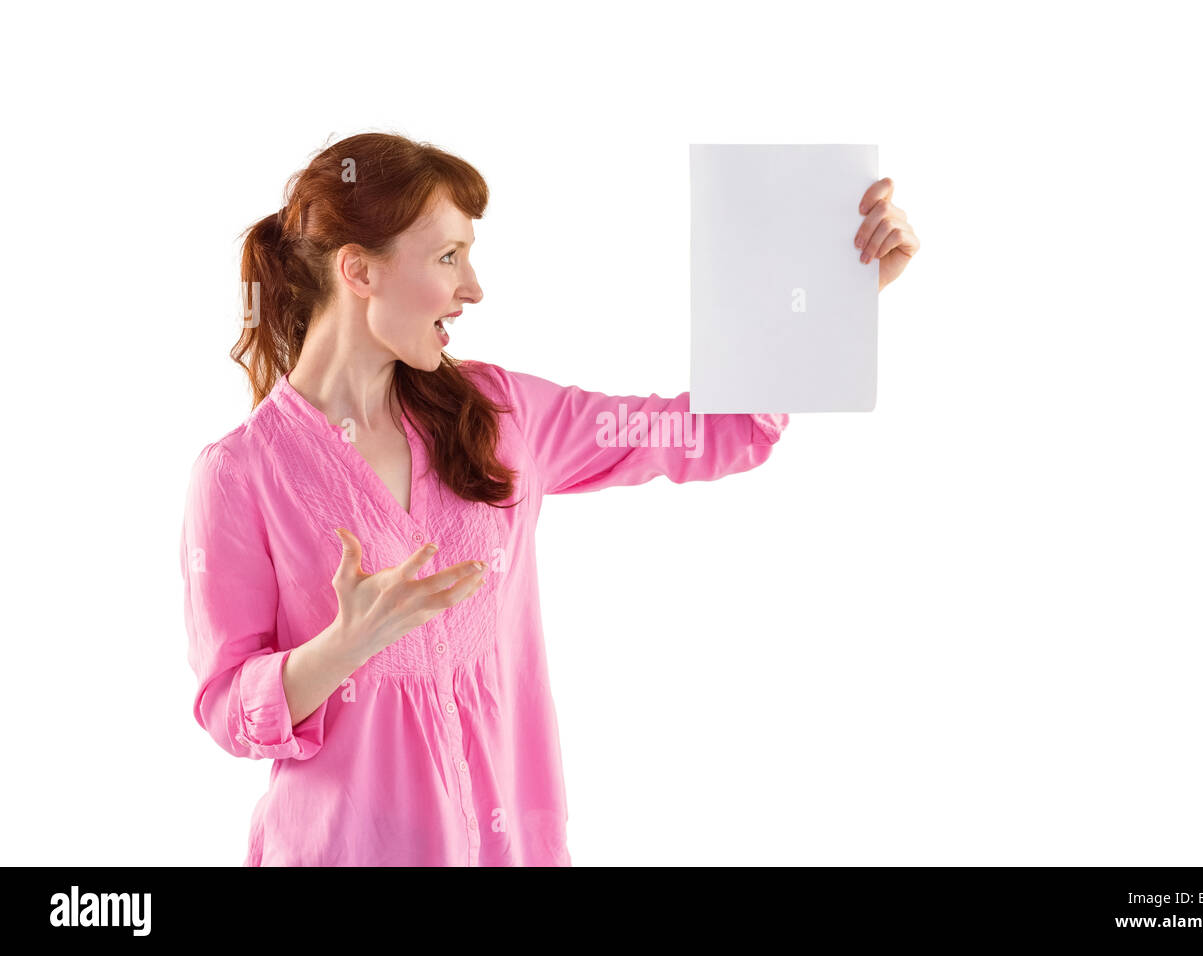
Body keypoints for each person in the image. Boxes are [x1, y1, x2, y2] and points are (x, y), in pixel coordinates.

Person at [180, 131, 920, 866]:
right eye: (448, 257)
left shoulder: (502, 416)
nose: (473, 288)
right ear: (358, 271)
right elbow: (225, 705)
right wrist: (342, 648)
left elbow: (700, 430)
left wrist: (833, 298)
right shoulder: (240, 474)